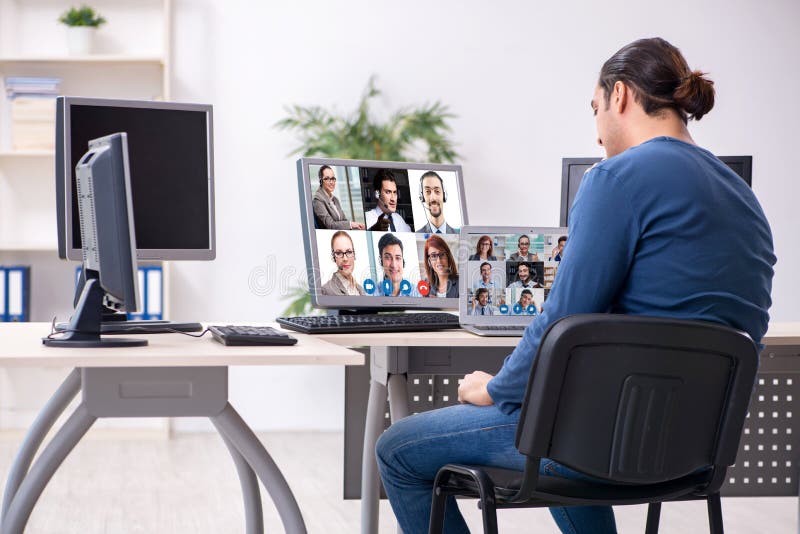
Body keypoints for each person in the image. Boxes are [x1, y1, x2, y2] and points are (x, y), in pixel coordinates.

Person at [375, 37, 775, 534]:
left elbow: (562, 318)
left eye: (595, 108)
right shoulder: (743, 197)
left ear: (621, 95)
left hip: (598, 444)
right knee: (574, 412)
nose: (597, 134)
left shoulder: (616, 177)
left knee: (397, 448)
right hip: (698, 450)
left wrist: (496, 389)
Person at [312, 165, 365, 230]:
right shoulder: (318, 200)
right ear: (321, 181)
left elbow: (344, 220)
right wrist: (351, 224)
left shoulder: (335, 199)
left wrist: (357, 226)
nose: (331, 182)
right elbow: (330, 225)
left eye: (333, 178)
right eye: (327, 179)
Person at [321, 231, 365, 296]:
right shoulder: (326, 290)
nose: (345, 258)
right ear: (334, 258)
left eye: (349, 252)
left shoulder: (360, 289)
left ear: (354, 255)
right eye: (339, 253)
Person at [375, 233, 419, 297]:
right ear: (381, 261)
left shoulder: (416, 292)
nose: (394, 265)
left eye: (398, 258)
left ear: (403, 261)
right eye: (387, 257)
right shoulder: (373, 292)